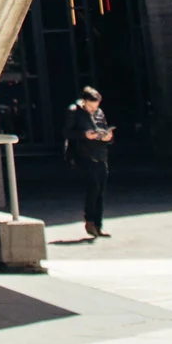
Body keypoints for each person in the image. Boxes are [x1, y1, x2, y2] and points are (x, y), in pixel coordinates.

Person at [63, 85, 113, 239]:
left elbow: (104, 128)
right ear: (84, 102)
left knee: (101, 191)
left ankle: (98, 225)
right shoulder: (74, 111)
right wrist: (84, 135)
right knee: (93, 188)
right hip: (84, 155)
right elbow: (66, 132)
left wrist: (107, 137)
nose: (93, 110)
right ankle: (89, 221)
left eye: (96, 106)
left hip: (100, 154)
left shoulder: (99, 113)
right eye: (91, 107)